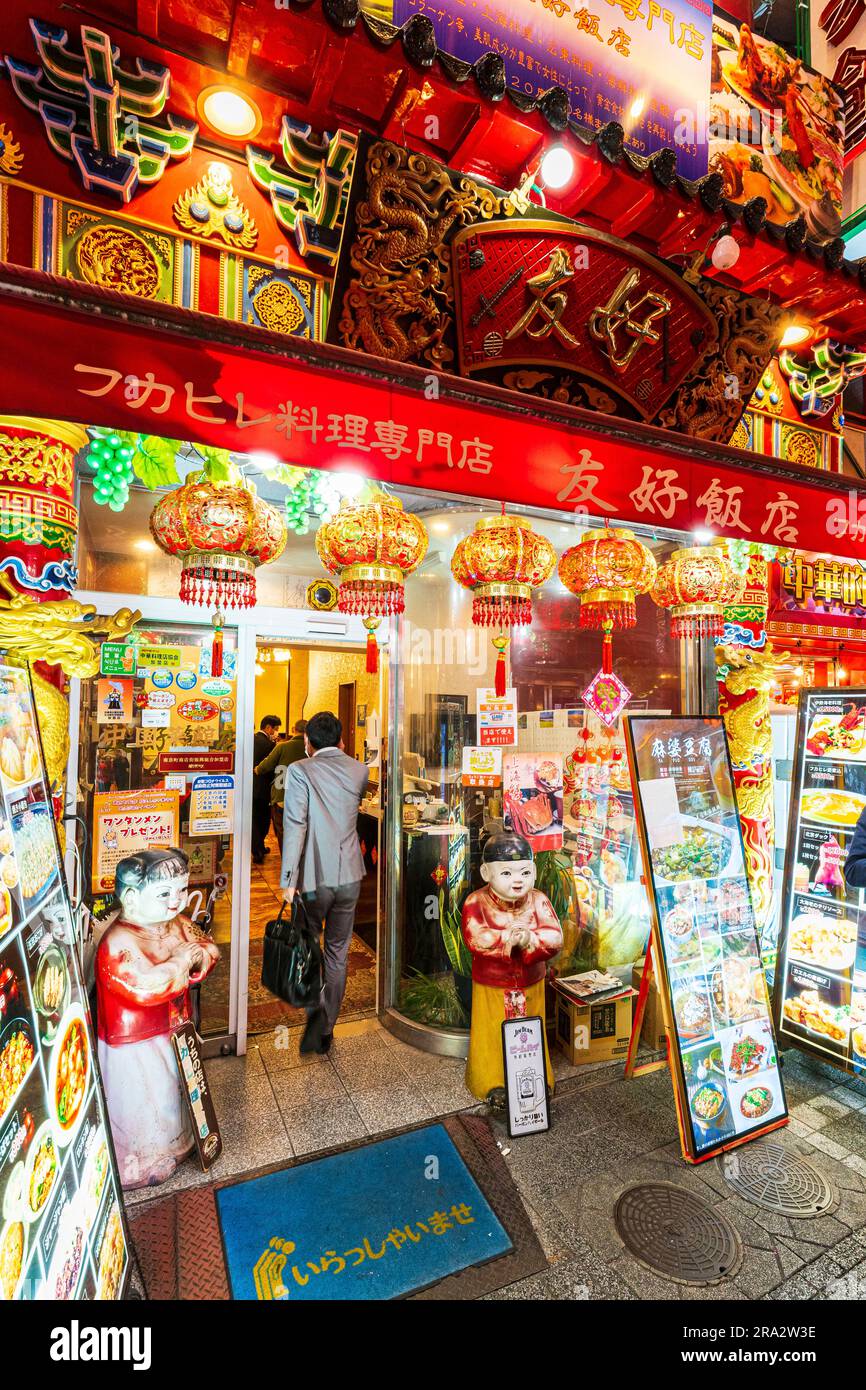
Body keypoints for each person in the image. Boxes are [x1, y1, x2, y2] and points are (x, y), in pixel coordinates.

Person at [96, 848, 220, 1189]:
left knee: (175, 1089)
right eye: (164, 894)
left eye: (181, 892)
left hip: (175, 1026)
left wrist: (194, 959)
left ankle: (180, 1141)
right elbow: (145, 986)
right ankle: (142, 1157)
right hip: (136, 1041)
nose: (175, 902)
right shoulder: (118, 942)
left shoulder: (176, 925)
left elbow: (207, 947)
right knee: (143, 1094)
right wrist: (181, 962)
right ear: (132, 898)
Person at [280, 710, 369, 1053]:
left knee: (307, 945)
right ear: (342, 741)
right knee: (338, 952)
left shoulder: (300, 770)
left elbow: (296, 825)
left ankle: (310, 1010)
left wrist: (289, 878)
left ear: (307, 742)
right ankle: (326, 1027)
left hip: (313, 878)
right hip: (349, 876)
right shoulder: (359, 770)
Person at [461, 830, 562, 1102]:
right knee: (492, 1034)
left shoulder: (538, 900)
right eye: (506, 873)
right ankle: (491, 1082)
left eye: (524, 872)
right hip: (492, 985)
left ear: (533, 872)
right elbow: (475, 937)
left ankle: (539, 1078)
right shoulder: (476, 902)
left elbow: (555, 936)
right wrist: (507, 938)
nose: (517, 880)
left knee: (531, 1035)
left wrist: (530, 938)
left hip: (531, 983)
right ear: (486, 873)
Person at [255, 718, 308, 846]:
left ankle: (288, 861)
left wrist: (256, 769)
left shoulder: (282, 746)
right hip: (305, 797)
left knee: (283, 832)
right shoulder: (312, 749)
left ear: (294, 730)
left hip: (282, 796)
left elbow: (263, 768)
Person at [252, 714, 281, 863]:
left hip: (250, 785)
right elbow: (272, 768)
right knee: (262, 819)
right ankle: (258, 850)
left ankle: (258, 847)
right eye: (275, 729)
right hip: (263, 787)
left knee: (254, 819)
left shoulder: (251, 739)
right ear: (268, 727)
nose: (276, 732)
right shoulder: (269, 745)